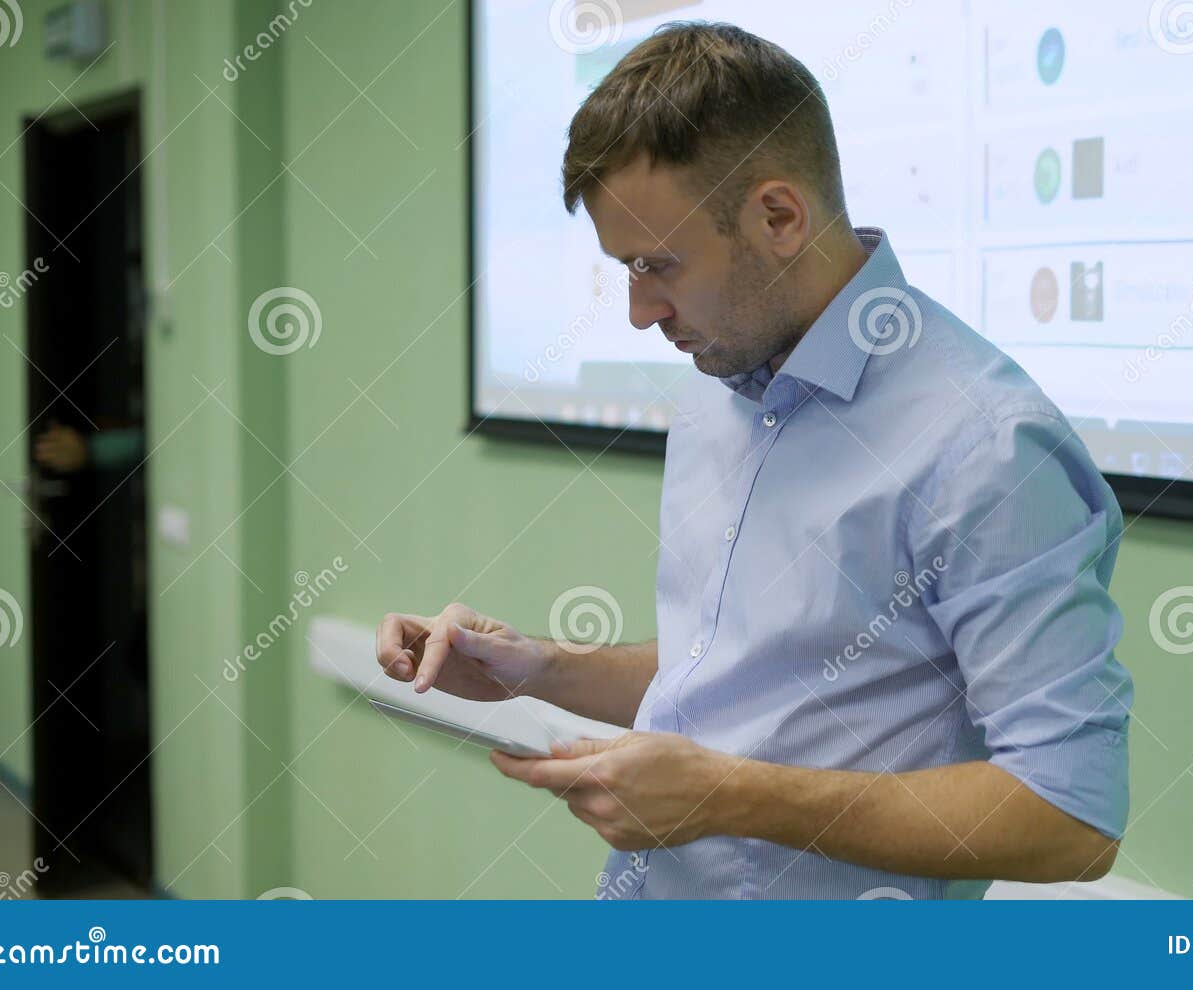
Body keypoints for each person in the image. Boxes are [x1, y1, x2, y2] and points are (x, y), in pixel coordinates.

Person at [377, 21, 1133, 899]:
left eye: (659, 265)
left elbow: (1069, 820)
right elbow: (734, 683)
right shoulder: (719, 386)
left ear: (779, 216)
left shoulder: (988, 446)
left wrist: (730, 796)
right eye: (624, 269)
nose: (638, 312)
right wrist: (538, 671)